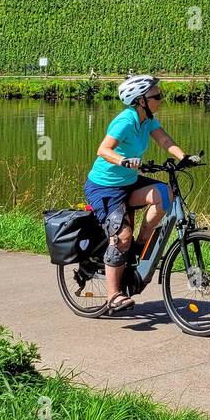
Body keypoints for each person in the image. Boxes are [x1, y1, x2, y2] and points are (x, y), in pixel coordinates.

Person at [83, 74, 186, 312]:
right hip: (104, 186)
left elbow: (164, 139)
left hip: (128, 182)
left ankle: (139, 248)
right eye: (157, 96)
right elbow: (103, 150)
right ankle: (113, 295)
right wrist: (124, 160)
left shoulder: (148, 120)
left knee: (164, 193)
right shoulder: (125, 121)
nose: (161, 99)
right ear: (140, 100)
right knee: (122, 237)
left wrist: (184, 157)